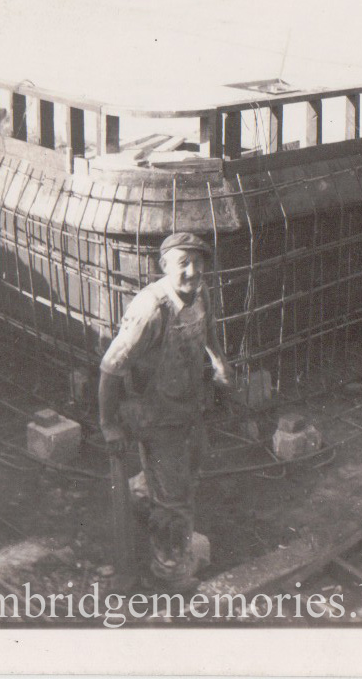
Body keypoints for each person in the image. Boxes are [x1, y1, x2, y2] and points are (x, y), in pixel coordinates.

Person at [98, 232, 233, 590]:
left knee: (190, 470)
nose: (192, 271)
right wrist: (108, 424)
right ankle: (169, 569)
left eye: (198, 262)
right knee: (176, 500)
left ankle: (144, 495)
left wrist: (219, 362)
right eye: (183, 263)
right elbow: (110, 368)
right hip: (152, 414)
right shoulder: (150, 309)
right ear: (164, 266)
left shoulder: (201, 294)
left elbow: (209, 332)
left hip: (186, 407)